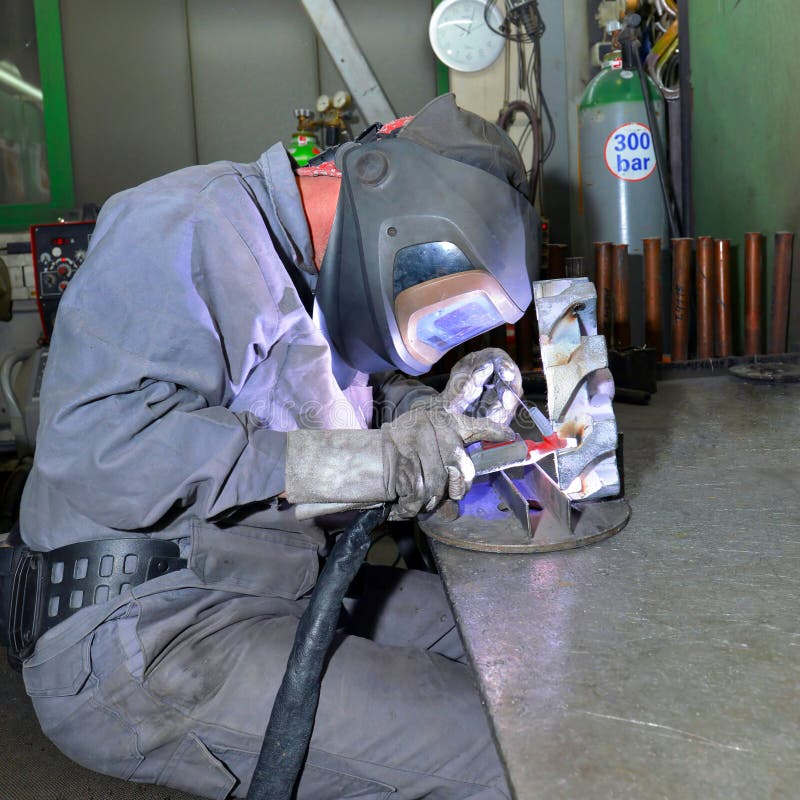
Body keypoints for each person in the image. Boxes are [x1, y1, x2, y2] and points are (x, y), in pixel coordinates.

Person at [11, 94, 539, 799]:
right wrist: (368, 463)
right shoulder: (193, 225)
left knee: (519, 640)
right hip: (147, 634)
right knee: (501, 750)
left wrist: (431, 413)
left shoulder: (322, 284)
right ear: (390, 198)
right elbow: (100, 448)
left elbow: (346, 403)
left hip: (272, 588)